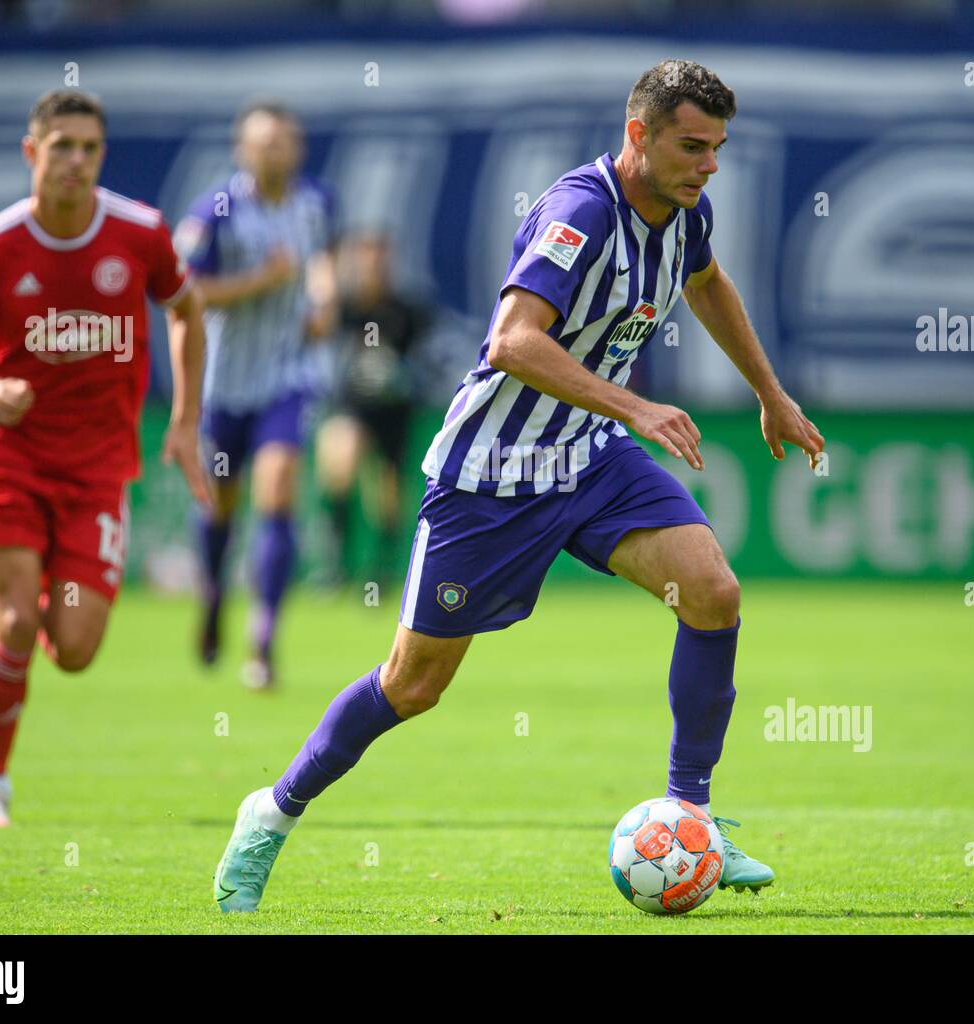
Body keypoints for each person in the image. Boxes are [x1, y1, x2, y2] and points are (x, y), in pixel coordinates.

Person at [213, 59, 824, 911]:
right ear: (638, 134)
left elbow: (708, 282)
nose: (708, 165)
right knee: (412, 685)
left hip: (592, 458)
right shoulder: (579, 212)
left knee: (713, 592)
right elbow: (510, 341)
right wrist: (636, 405)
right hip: (491, 476)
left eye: (718, 148)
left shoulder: (687, 212)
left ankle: (693, 813)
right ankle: (271, 813)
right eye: (692, 145)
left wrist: (771, 392)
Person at [0, 89, 208, 830]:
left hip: (96, 471)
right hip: (9, 459)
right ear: (32, 153)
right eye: (62, 147)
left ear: (101, 156)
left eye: (89, 148)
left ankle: (46, 592)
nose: (76, 162)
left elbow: (186, 309)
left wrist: (184, 421)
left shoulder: (140, 233)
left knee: (75, 648)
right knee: (16, 620)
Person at [174, 100, 338, 690]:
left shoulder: (316, 201)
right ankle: (215, 594)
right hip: (223, 384)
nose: (279, 152)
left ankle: (264, 633)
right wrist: (259, 282)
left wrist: (324, 302)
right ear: (242, 149)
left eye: (287, 141)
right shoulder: (215, 211)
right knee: (220, 506)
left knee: (277, 487)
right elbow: (183, 294)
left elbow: (322, 261)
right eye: (266, 142)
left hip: (287, 376)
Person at [314, 231, 434, 586]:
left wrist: (406, 377)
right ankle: (338, 566)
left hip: (394, 412)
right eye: (365, 258)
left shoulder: (407, 310)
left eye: (379, 258)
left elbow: (430, 357)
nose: (373, 266)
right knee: (341, 461)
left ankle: (381, 572)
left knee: (388, 494)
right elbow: (317, 333)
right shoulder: (346, 308)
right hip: (354, 406)